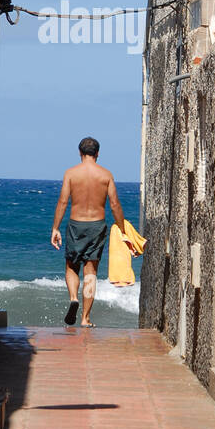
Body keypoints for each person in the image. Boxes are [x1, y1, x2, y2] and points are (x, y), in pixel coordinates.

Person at [51, 136, 135, 326]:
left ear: (80, 153)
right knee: (91, 272)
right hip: (97, 225)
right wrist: (122, 228)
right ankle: (85, 318)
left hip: (76, 224)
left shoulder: (71, 173)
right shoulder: (106, 175)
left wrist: (55, 228)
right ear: (97, 153)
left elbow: (63, 201)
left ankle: (73, 297)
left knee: (72, 267)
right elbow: (114, 204)